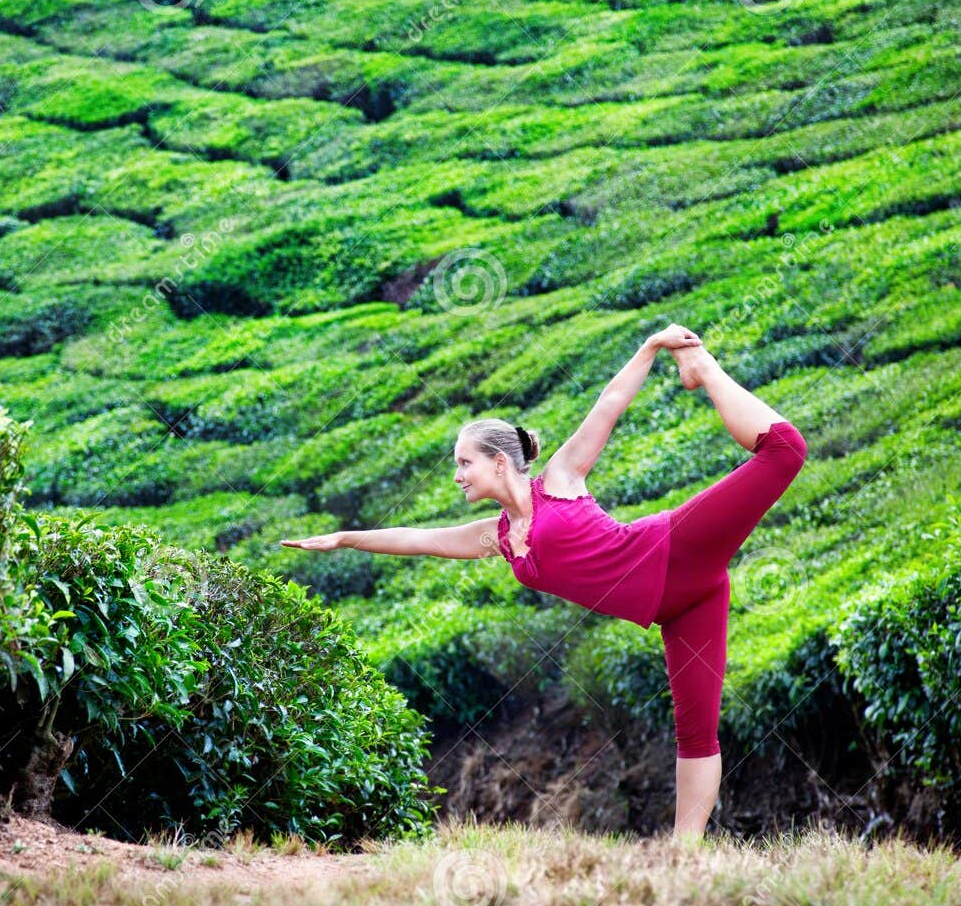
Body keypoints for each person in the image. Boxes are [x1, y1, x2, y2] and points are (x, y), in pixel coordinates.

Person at [280, 324, 808, 841]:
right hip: (680, 606)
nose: (457, 476)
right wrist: (347, 538)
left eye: (465, 463)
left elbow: (609, 404)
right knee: (695, 733)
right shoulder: (498, 536)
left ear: (499, 461)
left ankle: (705, 369)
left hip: (674, 549)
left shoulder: (561, 479)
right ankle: (684, 857)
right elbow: (424, 538)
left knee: (785, 450)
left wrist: (652, 347)